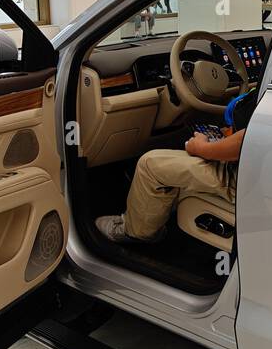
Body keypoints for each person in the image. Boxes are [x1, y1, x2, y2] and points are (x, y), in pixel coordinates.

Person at [95, 87, 259, 244]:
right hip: (262, 173)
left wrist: (202, 148)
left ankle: (137, 233)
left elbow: (249, 138)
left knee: (150, 165)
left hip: (243, 178)